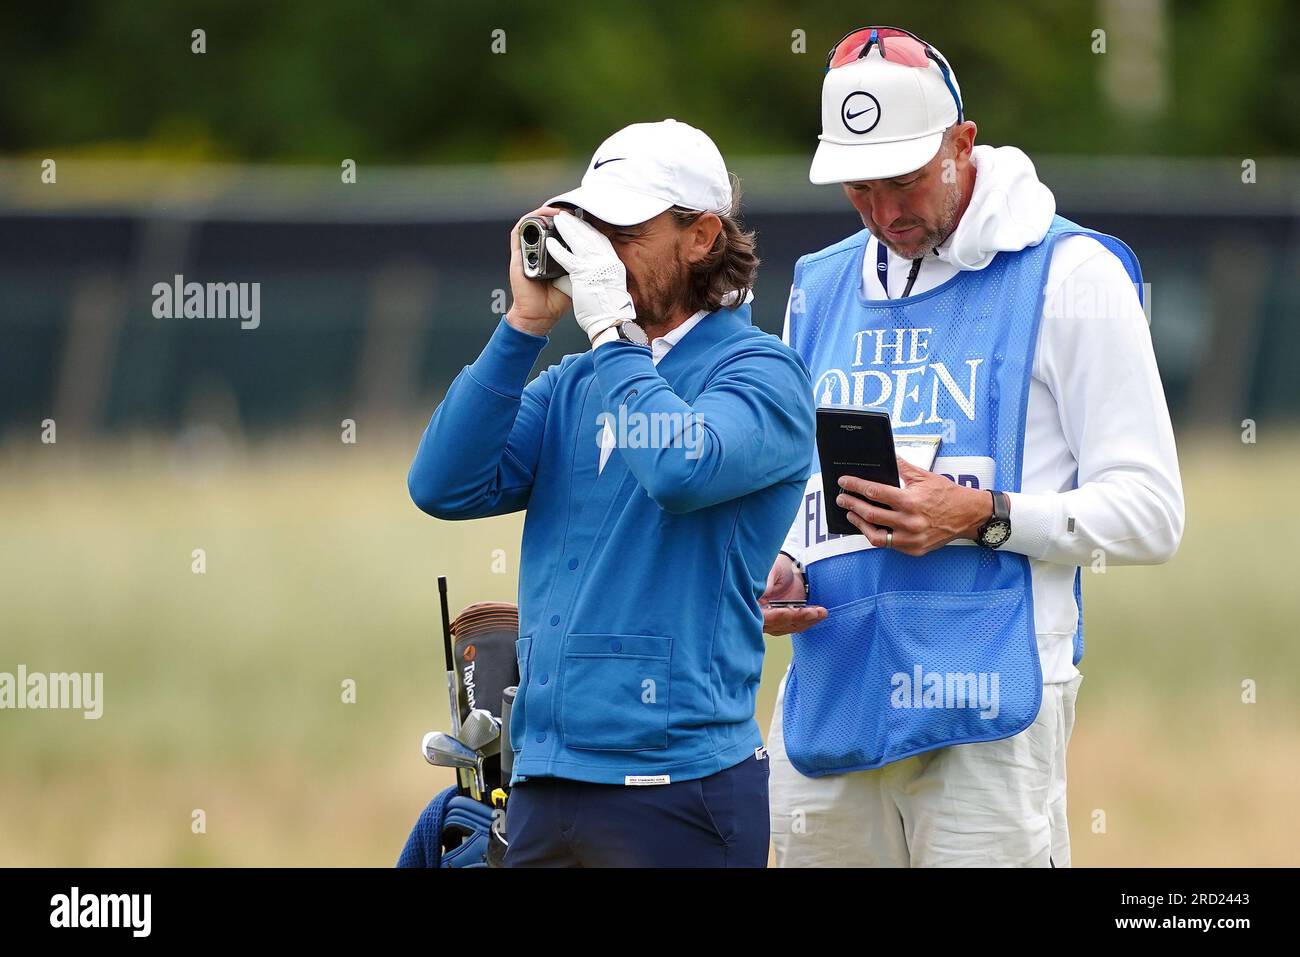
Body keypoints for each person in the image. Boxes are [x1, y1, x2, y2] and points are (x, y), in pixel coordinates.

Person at [762, 26, 1185, 867]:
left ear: (963, 143)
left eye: (905, 180)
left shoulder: (1072, 273)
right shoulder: (816, 286)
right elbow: (792, 486)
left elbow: (1152, 514)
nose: (883, 213)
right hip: (835, 690)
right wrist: (777, 561)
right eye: (858, 188)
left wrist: (980, 516)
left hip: (994, 706)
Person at [408, 119, 815, 867]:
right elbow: (441, 482)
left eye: (623, 228)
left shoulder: (764, 375)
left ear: (701, 237)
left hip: (679, 787)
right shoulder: (578, 382)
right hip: (546, 778)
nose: (598, 249)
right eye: (589, 225)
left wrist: (608, 332)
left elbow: (680, 469)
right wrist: (524, 325)